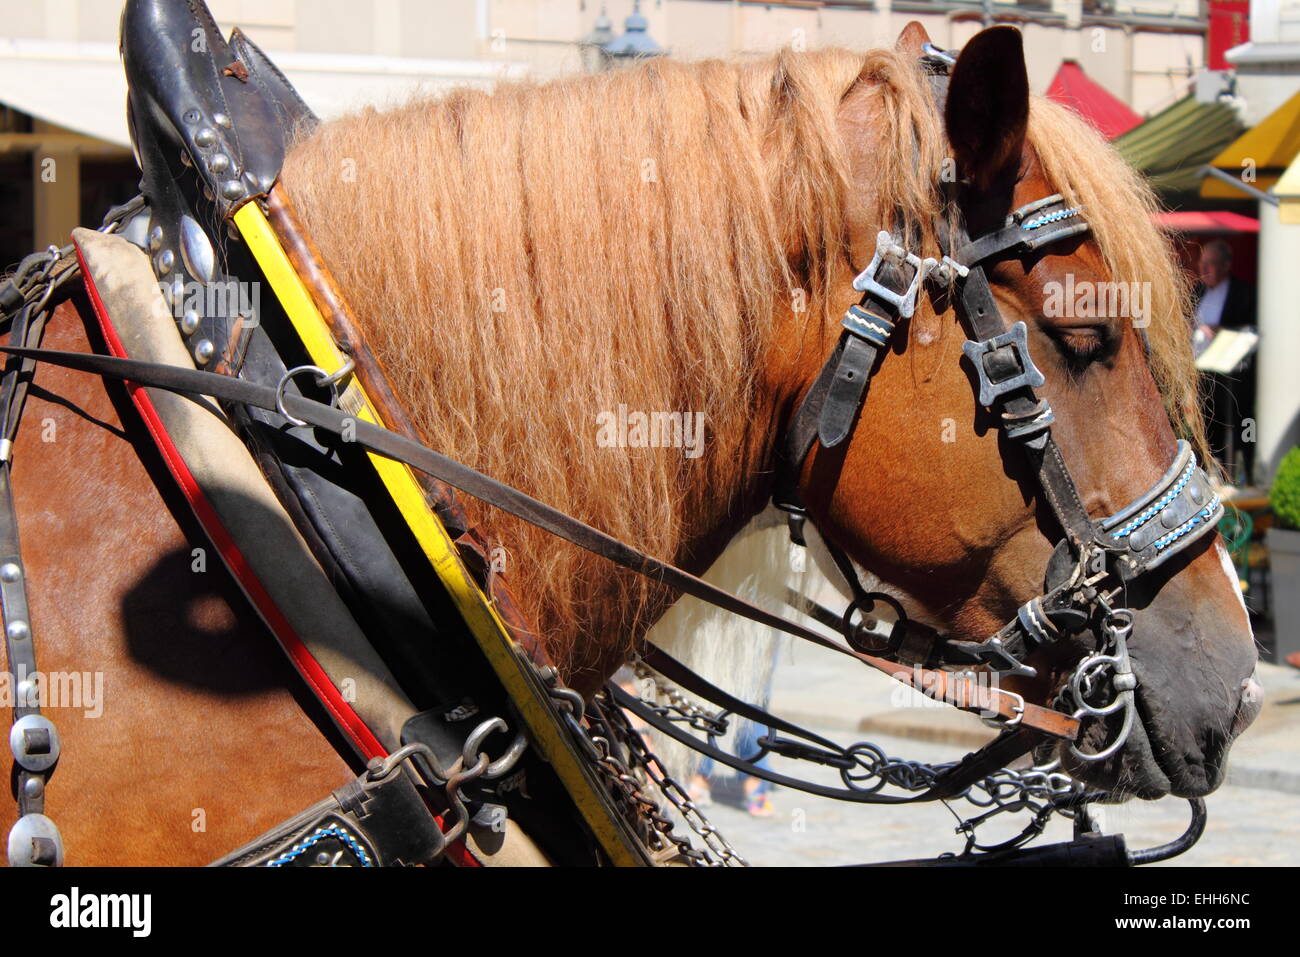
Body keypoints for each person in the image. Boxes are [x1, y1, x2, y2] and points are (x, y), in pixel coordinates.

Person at [1191, 239, 1257, 484]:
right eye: (1203, 263)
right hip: (1204, 369)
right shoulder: (1197, 291)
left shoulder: (1244, 292)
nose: (1205, 268)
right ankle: (1213, 468)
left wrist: (1223, 330)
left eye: (1212, 264)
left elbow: (1254, 326)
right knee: (1208, 421)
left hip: (1236, 372)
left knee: (1245, 422)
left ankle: (1247, 468)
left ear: (1226, 265)